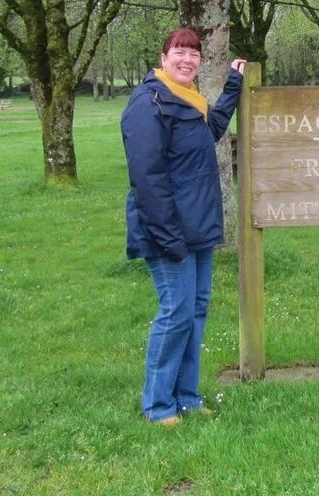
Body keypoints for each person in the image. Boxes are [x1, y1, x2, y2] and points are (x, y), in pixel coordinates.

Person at [121, 27, 246, 425]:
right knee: (175, 313)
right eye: (179, 52)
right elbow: (148, 178)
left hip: (196, 227)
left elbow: (209, 132)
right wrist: (169, 238)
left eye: (193, 54)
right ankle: (158, 406)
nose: (187, 59)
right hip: (168, 230)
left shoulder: (190, 103)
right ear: (163, 57)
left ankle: (187, 397)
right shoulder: (149, 103)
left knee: (194, 311)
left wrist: (233, 86)